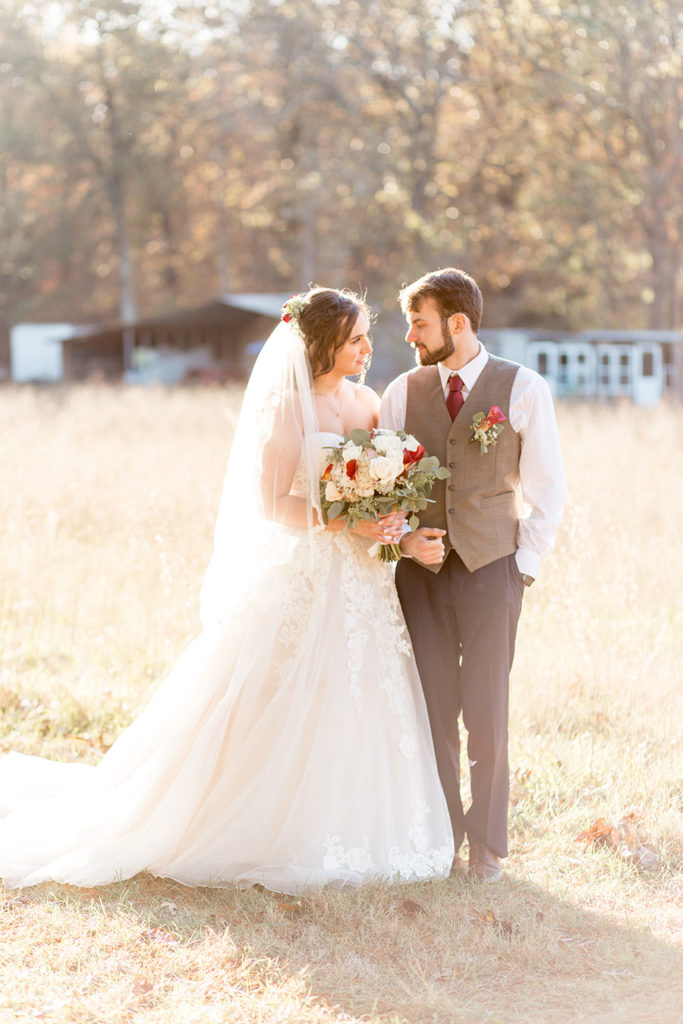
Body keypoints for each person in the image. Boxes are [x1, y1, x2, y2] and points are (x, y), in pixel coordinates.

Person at [0, 287, 454, 893]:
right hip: (308, 571)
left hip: (363, 578)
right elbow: (272, 502)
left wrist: (390, 526)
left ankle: (355, 825)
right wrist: (347, 520)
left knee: (360, 692)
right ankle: (252, 821)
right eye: (355, 339)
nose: (368, 347)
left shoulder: (369, 402)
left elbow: (384, 493)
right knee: (278, 694)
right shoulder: (288, 408)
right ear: (322, 344)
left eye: (367, 335)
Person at [380, 268, 566, 881]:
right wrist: (407, 540)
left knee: (487, 710)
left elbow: (546, 490)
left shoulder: (523, 388)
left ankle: (487, 844)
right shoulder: (402, 393)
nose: (410, 335)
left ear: (457, 324)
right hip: (423, 577)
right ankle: (442, 841)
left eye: (420, 323)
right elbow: (384, 486)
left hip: (494, 571)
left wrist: (523, 570)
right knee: (433, 707)